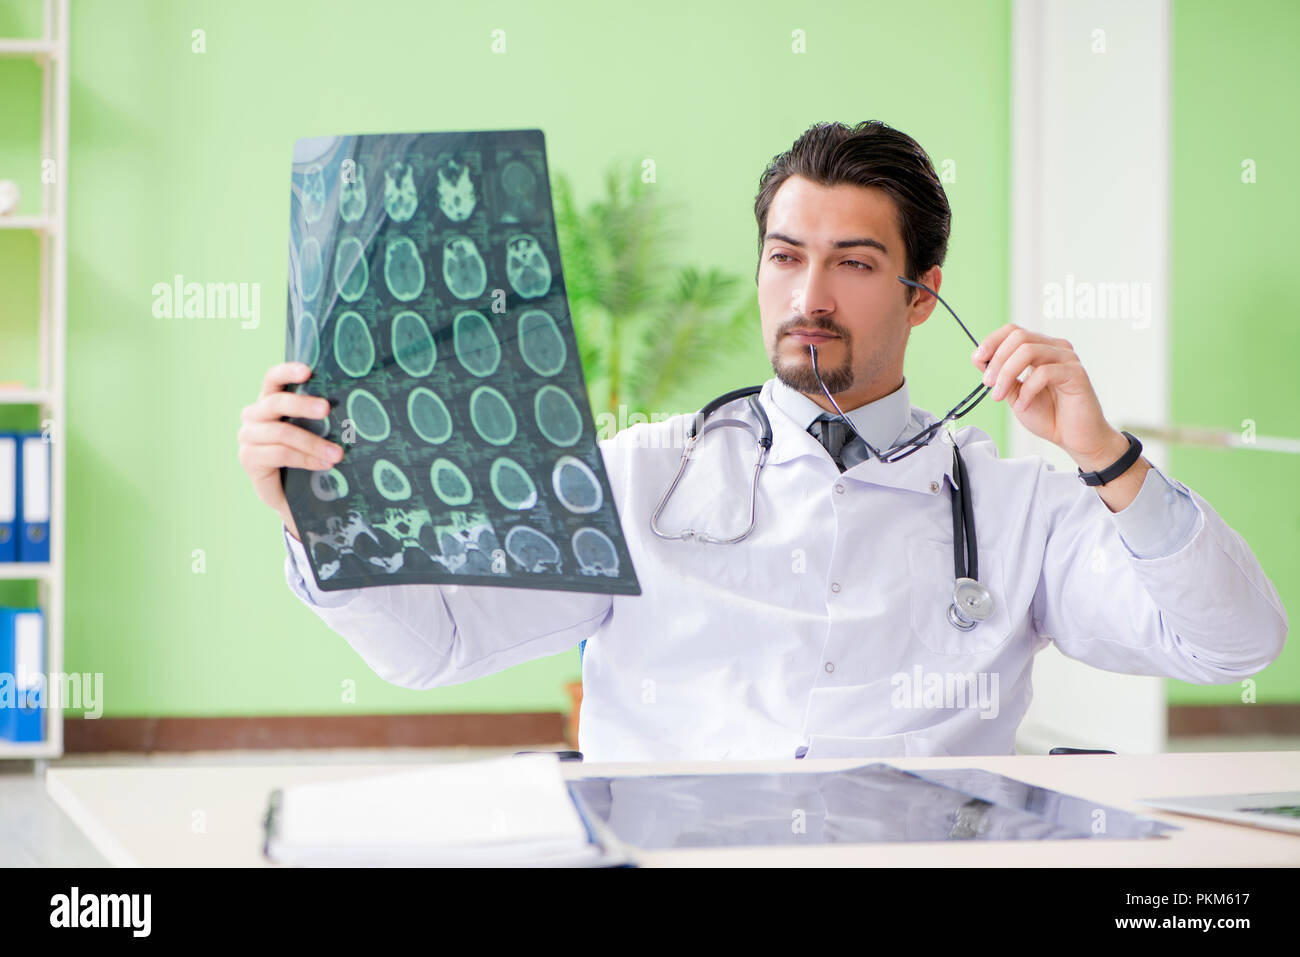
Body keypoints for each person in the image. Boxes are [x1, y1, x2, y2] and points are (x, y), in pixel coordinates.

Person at [237, 120, 1287, 761]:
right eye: (785, 257)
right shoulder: (641, 475)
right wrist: (316, 523)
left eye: (855, 264)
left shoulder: (1015, 507)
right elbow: (442, 646)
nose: (809, 296)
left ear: (924, 297)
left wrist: (1106, 457)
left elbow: (1232, 642)